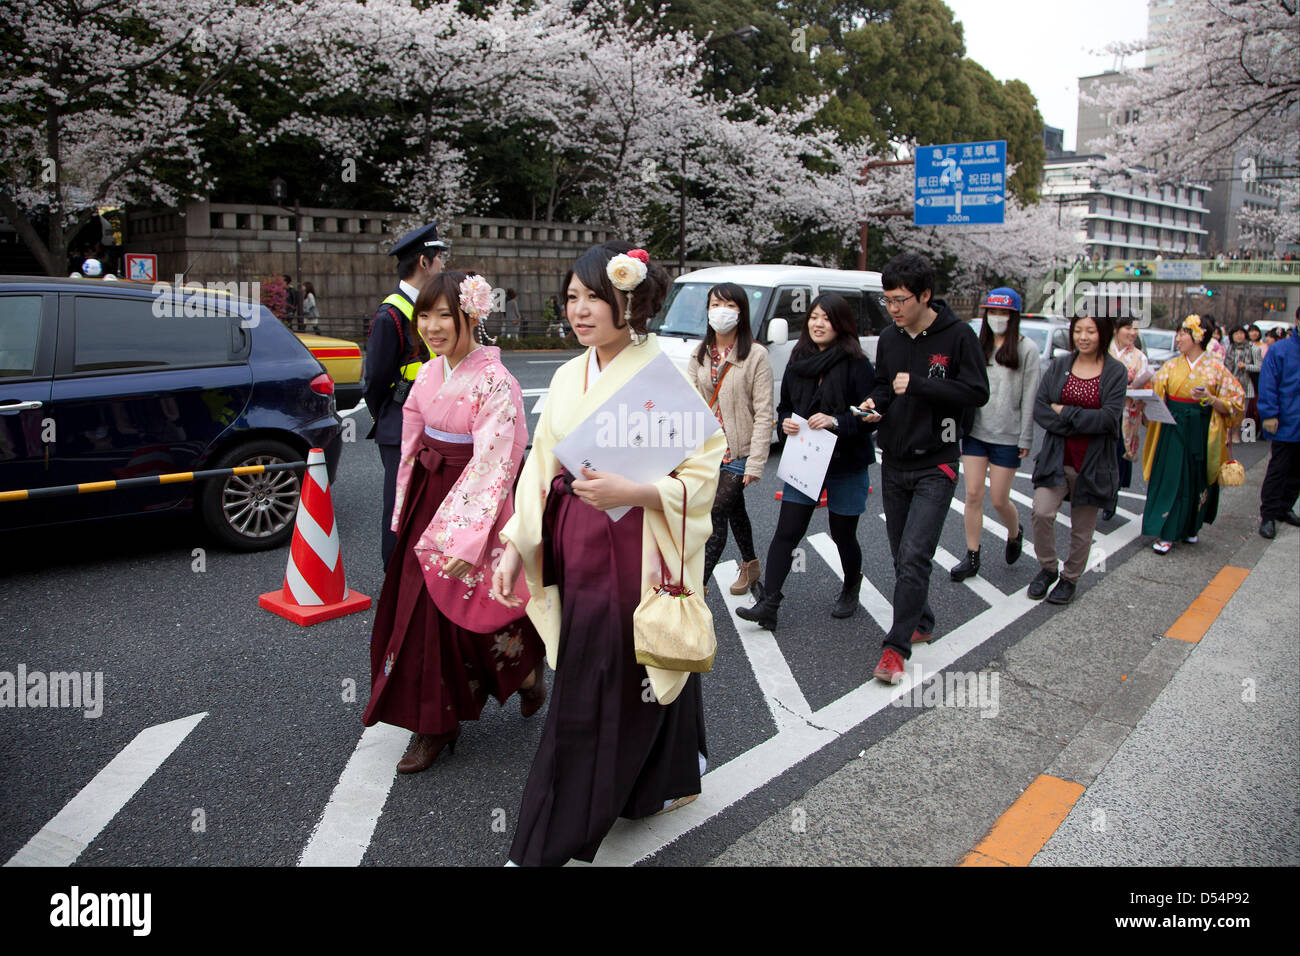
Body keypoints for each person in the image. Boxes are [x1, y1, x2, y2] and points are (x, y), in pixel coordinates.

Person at [491, 243, 725, 867]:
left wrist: (639, 490)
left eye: (595, 296)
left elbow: (704, 464)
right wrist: (519, 541)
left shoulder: (665, 375)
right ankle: (657, 780)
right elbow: (540, 463)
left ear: (631, 301)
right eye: (572, 297)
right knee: (636, 666)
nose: (580, 310)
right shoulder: (570, 375)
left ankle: (545, 840)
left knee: (596, 680)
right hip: (572, 534)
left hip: (634, 543)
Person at [363, 272, 545, 772]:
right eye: (425, 315)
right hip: (430, 494)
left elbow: (496, 462)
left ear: (471, 316)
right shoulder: (427, 374)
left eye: (445, 314)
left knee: (475, 616)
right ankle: (434, 724)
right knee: (421, 615)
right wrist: (402, 508)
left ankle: (527, 672)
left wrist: (464, 539)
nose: (433, 326)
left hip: (474, 507)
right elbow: (410, 447)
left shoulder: (496, 382)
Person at [858, 253, 989, 684]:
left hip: (938, 461)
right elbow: (884, 385)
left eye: (900, 299)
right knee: (902, 554)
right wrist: (876, 405)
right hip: (894, 459)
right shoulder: (890, 338)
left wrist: (921, 385)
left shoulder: (958, 336)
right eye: (887, 300)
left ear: (925, 296)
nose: (893, 308)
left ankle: (894, 649)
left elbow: (976, 392)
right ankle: (922, 620)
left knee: (915, 554)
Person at [736, 293, 875, 627]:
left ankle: (851, 585)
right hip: (805, 462)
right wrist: (786, 423)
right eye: (813, 316)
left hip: (845, 463)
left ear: (841, 324)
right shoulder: (800, 359)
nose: (818, 323)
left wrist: (836, 420)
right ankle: (769, 605)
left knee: (843, 534)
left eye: (826, 318)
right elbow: (786, 407)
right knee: (786, 533)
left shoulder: (857, 364)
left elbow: (871, 415)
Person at [1027, 315, 1126, 605]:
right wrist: (1080, 420)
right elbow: (1042, 408)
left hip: (1094, 461)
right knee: (1042, 512)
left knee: (1082, 529)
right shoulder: (1060, 365)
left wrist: (1066, 412)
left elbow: (1109, 418)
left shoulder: (1115, 371)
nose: (1083, 337)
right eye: (1078, 331)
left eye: (1090, 331)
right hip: (1057, 456)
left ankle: (1069, 578)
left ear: (1103, 333)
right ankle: (1047, 568)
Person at [363, 222, 444, 567]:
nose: (443, 266)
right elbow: (375, 380)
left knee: (428, 500)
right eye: (439, 259)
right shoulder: (391, 313)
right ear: (424, 263)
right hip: (399, 424)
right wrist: (388, 415)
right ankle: (395, 572)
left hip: (432, 422)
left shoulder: (429, 306)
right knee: (399, 504)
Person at [687, 282, 773, 598]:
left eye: (730, 305)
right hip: (709, 451)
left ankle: (695, 588)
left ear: (742, 312)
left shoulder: (756, 355)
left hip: (739, 451)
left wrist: (756, 462)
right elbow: (690, 403)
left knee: (715, 513)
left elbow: (765, 412)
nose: (721, 311)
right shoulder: (699, 354)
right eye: (715, 304)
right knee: (734, 510)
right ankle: (750, 564)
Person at [951, 287, 1040, 582]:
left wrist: (1026, 438)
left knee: (1000, 499)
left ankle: (1014, 533)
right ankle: (972, 555)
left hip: (1008, 435)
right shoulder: (977, 346)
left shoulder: (1027, 349)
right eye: (993, 312)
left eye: (1004, 313)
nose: (998, 318)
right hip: (976, 432)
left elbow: (1030, 398)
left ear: (1013, 317)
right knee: (973, 494)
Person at [1141, 314, 1245, 554]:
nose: (1178, 338)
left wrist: (1213, 400)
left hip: (1201, 428)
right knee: (1171, 477)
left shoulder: (1215, 368)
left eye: (1182, 333)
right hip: (1172, 426)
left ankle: (1190, 527)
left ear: (1199, 337)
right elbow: (1154, 391)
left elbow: (1236, 399)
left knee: (1196, 478)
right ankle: (1167, 532)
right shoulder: (1170, 366)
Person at [1258, 307, 1300, 539]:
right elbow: (1268, 383)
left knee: (1297, 472)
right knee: (1278, 469)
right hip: (1285, 419)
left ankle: (1286, 508)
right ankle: (1269, 515)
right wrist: (1270, 414)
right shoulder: (1280, 349)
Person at [1107, 316, 1154, 519]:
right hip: (1102, 409)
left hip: (1126, 413)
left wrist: (1136, 389)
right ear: (1116, 329)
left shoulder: (1139, 357)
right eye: (1128, 328)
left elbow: (1146, 384)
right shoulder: (1104, 350)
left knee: (1118, 455)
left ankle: (1111, 496)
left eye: (1135, 329)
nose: (1133, 333)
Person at [1224, 325, 1260, 442]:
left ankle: (1236, 434)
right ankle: (1227, 433)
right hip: (1230, 383)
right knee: (1229, 409)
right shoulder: (1229, 348)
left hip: (1245, 383)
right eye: (1236, 333)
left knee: (1241, 411)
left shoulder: (1253, 348)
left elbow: (1259, 367)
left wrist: (1246, 366)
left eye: (1241, 333)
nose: (1239, 336)